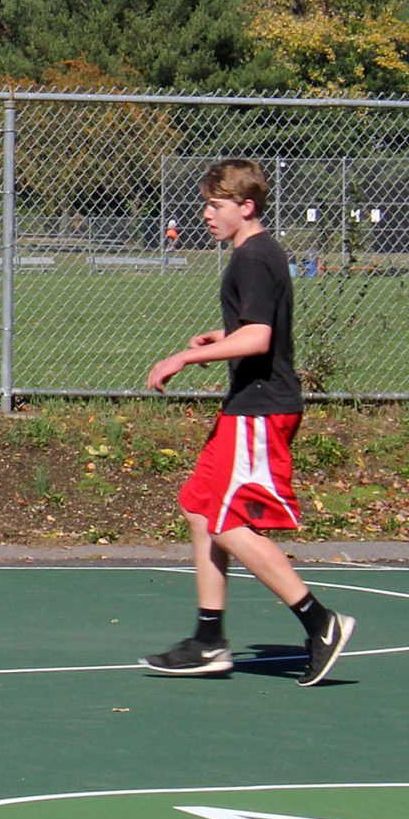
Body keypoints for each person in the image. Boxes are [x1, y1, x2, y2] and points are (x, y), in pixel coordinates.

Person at [142, 159, 355, 686]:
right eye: (206, 203)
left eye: (215, 205)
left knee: (226, 522)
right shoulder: (253, 254)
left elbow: (259, 338)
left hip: (261, 409)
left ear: (246, 207)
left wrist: (183, 359)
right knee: (197, 507)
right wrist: (221, 334)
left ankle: (319, 622)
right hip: (246, 405)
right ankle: (209, 641)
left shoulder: (253, 257)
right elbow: (256, 325)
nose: (206, 214)